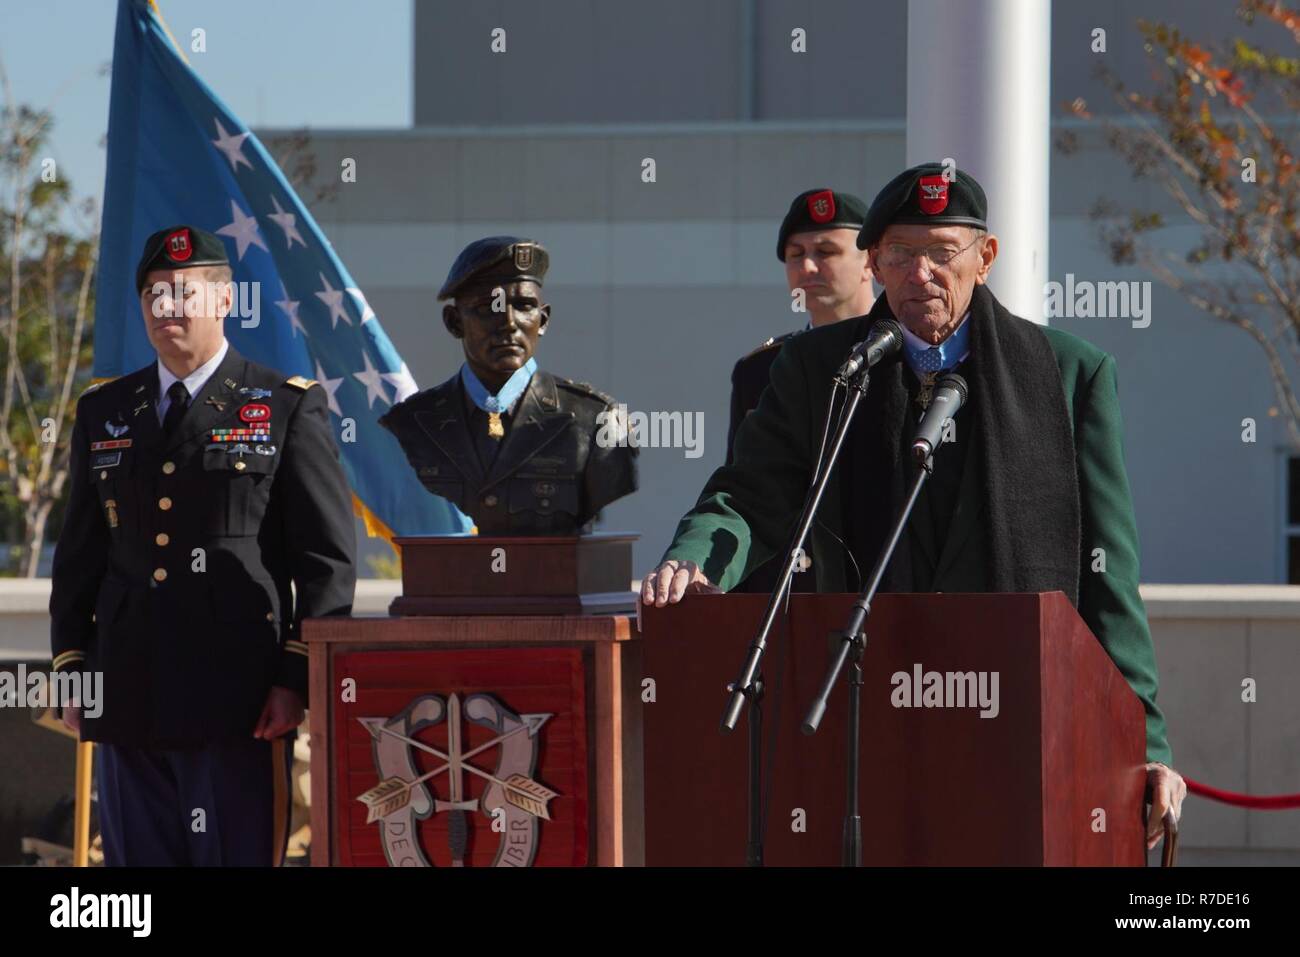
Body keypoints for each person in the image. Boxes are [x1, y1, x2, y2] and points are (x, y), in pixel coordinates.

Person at [642, 164, 1186, 850]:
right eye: (900, 254)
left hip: (1019, 713)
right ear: (875, 263)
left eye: (941, 252)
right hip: (868, 715)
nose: (920, 272)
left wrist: (1148, 741)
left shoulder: (1068, 375)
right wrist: (695, 557)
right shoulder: (821, 370)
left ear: (984, 258)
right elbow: (748, 496)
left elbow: (1108, 574)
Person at [50, 224, 357, 865]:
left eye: (186, 292)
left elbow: (327, 564)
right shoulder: (104, 410)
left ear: (225, 301)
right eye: (155, 295)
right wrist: (73, 666)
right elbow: (79, 554)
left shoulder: (283, 407)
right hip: (128, 697)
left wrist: (296, 677)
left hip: (238, 703)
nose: (169, 309)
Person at [379, 236, 637, 535]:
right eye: (488, 307)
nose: (509, 322)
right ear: (454, 322)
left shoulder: (596, 420)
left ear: (543, 320)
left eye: (524, 306)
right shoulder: (408, 425)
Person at [726, 188, 875, 593]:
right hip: (785, 593)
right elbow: (747, 493)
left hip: (877, 584)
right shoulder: (759, 371)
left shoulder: (905, 357)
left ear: (869, 262)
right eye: (796, 254)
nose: (808, 266)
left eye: (827, 251)